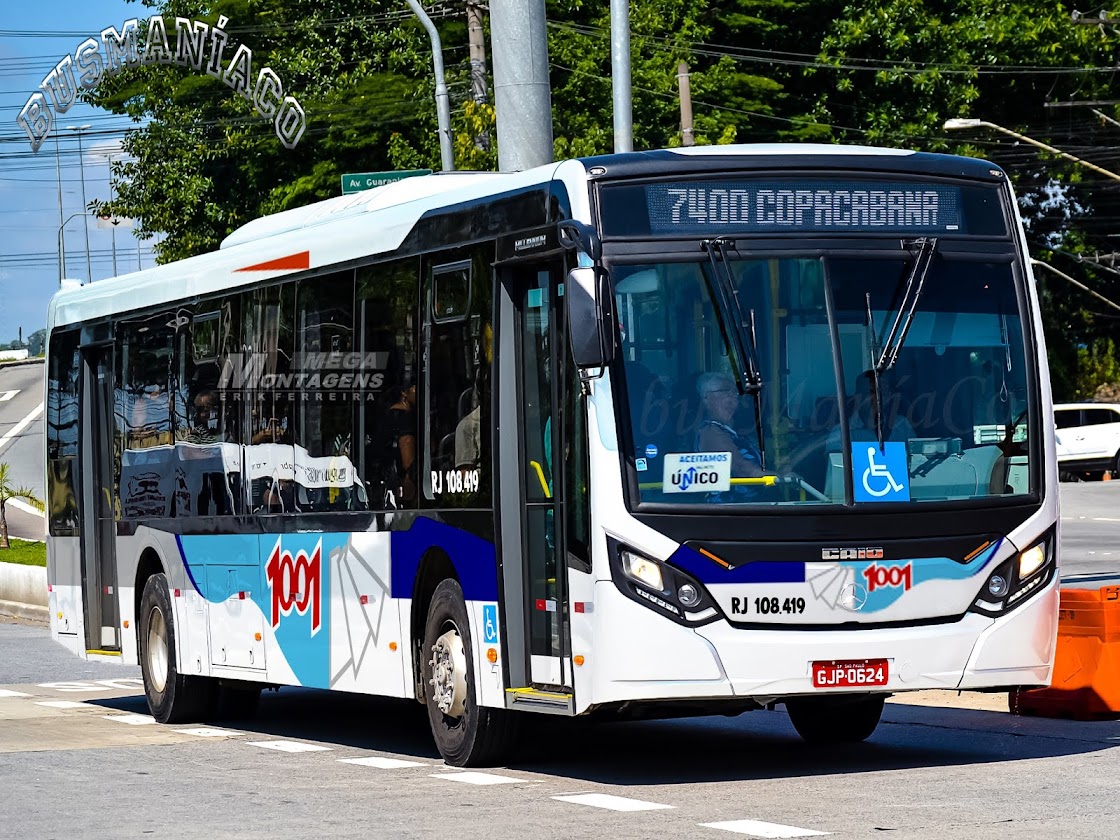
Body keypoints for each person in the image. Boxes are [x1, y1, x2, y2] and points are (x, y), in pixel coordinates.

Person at [694, 371, 768, 499]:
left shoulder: (731, 431)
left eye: (735, 392)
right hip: (730, 510)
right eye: (725, 391)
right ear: (706, 398)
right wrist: (778, 478)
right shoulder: (710, 431)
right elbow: (740, 467)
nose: (733, 397)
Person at [825, 369, 916, 451]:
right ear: (858, 398)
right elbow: (837, 467)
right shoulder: (841, 433)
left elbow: (916, 460)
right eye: (872, 392)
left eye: (884, 392)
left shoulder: (902, 426)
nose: (879, 398)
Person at [386, 380, 418, 506]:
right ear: (404, 393)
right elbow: (407, 443)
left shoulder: (390, 414)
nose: (418, 392)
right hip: (403, 477)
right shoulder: (404, 417)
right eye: (415, 388)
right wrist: (409, 474)